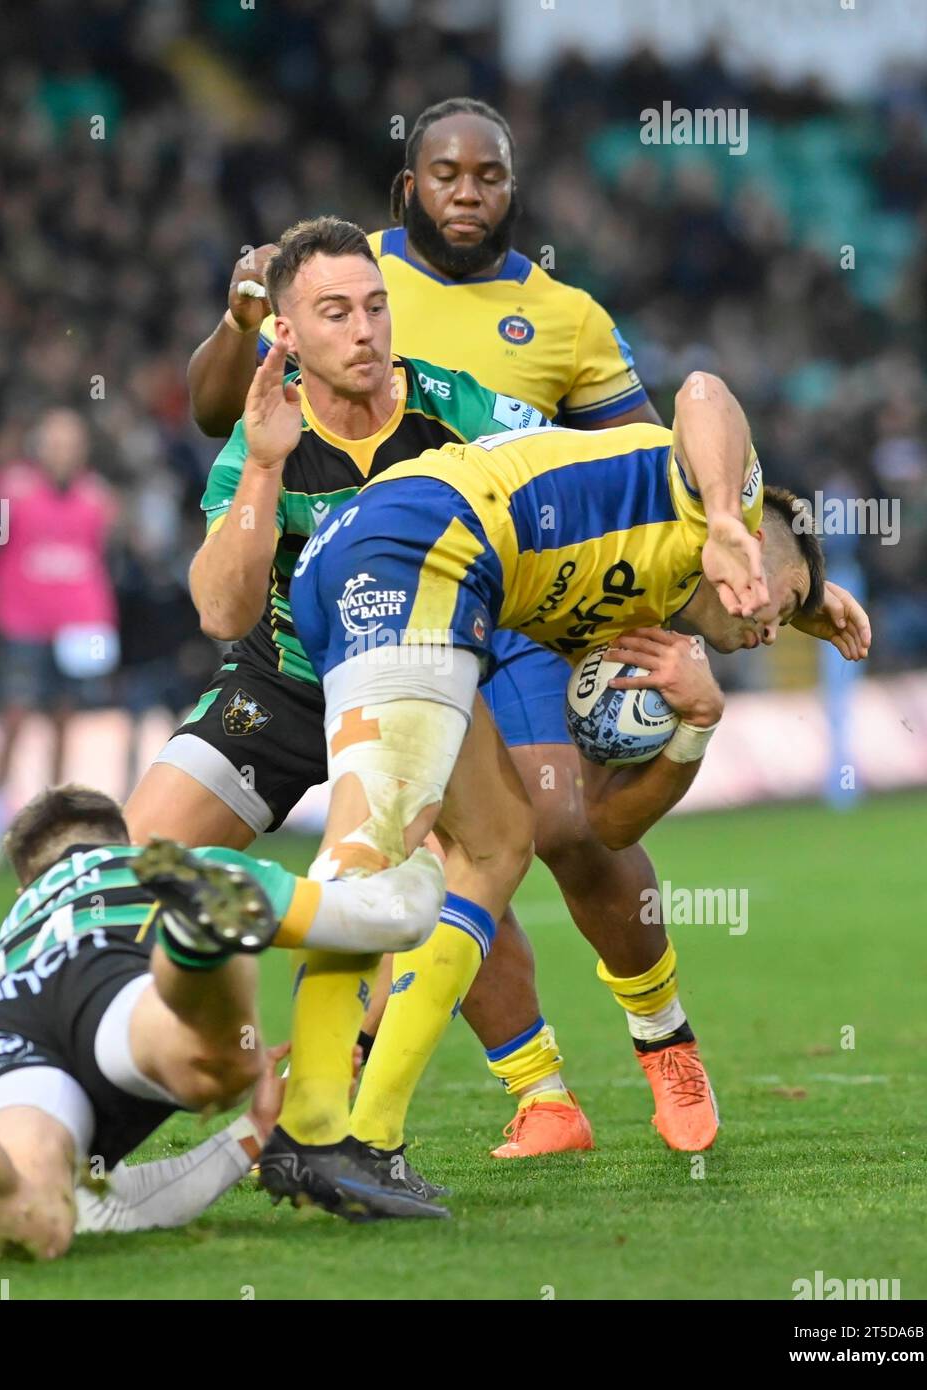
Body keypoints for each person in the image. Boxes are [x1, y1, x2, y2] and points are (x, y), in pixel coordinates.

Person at [185, 97, 732, 1160]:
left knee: (563, 827)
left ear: (512, 189)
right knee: (454, 843)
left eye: (488, 177)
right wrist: (236, 316)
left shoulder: (564, 317)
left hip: (521, 603)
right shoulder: (344, 276)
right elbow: (219, 411)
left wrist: (705, 571)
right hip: (359, 617)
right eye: (446, 175)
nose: (468, 193)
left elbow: (651, 463)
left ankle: (661, 1037)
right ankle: (533, 1091)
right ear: (408, 189)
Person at [266, 371, 869, 1208]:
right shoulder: (707, 502)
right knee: (381, 843)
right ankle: (307, 1102)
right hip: (420, 547)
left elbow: (606, 826)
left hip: (375, 558)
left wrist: (697, 725)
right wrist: (733, 520)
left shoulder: (626, 616)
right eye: (786, 601)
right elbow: (701, 391)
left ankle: (361, 1138)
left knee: (494, 844)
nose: (771, 630)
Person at [0, 782, 452, 1270]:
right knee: (218, 1068)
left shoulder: (18, 917)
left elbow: (105, 1209)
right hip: (108, 982)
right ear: (121, 840)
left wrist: (252, 1134)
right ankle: (194, 945)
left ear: (24, 882)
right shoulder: (159, 864)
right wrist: (422, 862)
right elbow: (375, 921)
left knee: (41, 1223)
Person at [0, 409, 118, 868]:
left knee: (63, 721)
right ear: (41, 447)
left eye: (70, 444)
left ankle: (53, 822)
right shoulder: (12, 492)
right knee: (14, 717)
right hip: (23, 623)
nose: (62, 453)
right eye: (55, 443)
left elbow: (101, 563)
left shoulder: (98, 499)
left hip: (75, 627)